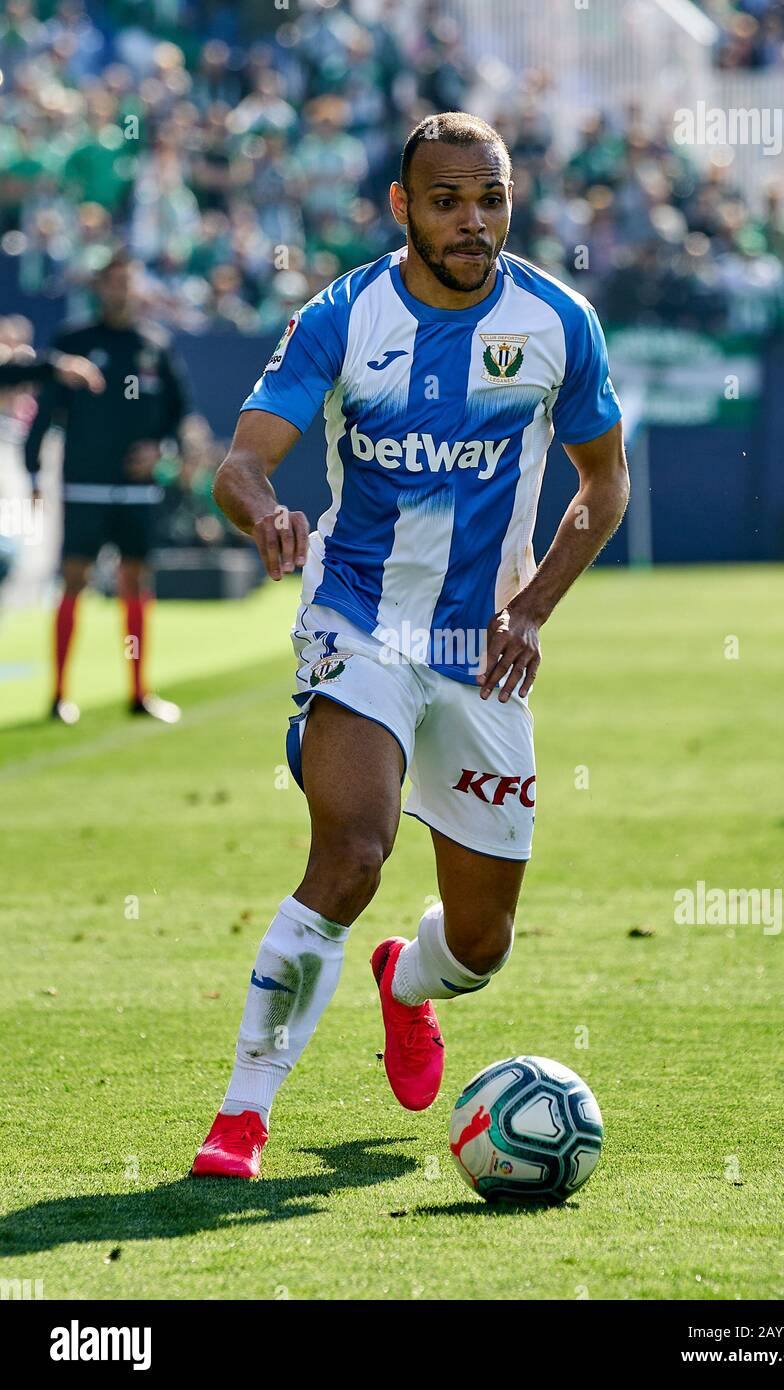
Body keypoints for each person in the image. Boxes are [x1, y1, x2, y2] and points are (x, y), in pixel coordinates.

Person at [191, 112, 630, 1179]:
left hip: (481, 648)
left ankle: (404, 982)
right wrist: (266, 515)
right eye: (446, 200)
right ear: (402, 208)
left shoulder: (557, 322)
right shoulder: (342, 316)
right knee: (349, 855)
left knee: (480, 947)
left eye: (491, 198)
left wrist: (531, 611)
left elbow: (601, 484)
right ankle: (241, 1114)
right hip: (357, 619)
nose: (472, 221)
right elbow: (237, 467)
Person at [24, 250, 190, 725]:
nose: (120, 290)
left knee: (135, 582)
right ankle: (58, 696)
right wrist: (34, 470)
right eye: (112, 281)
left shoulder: (155, 344)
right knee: (73, 581)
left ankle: (138, 692)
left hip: (137, 491)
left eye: (127, 281)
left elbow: (181, 416)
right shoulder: (73, 341)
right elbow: (47, 412)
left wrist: (161, 450)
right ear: (98, 286)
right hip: (85, 486)